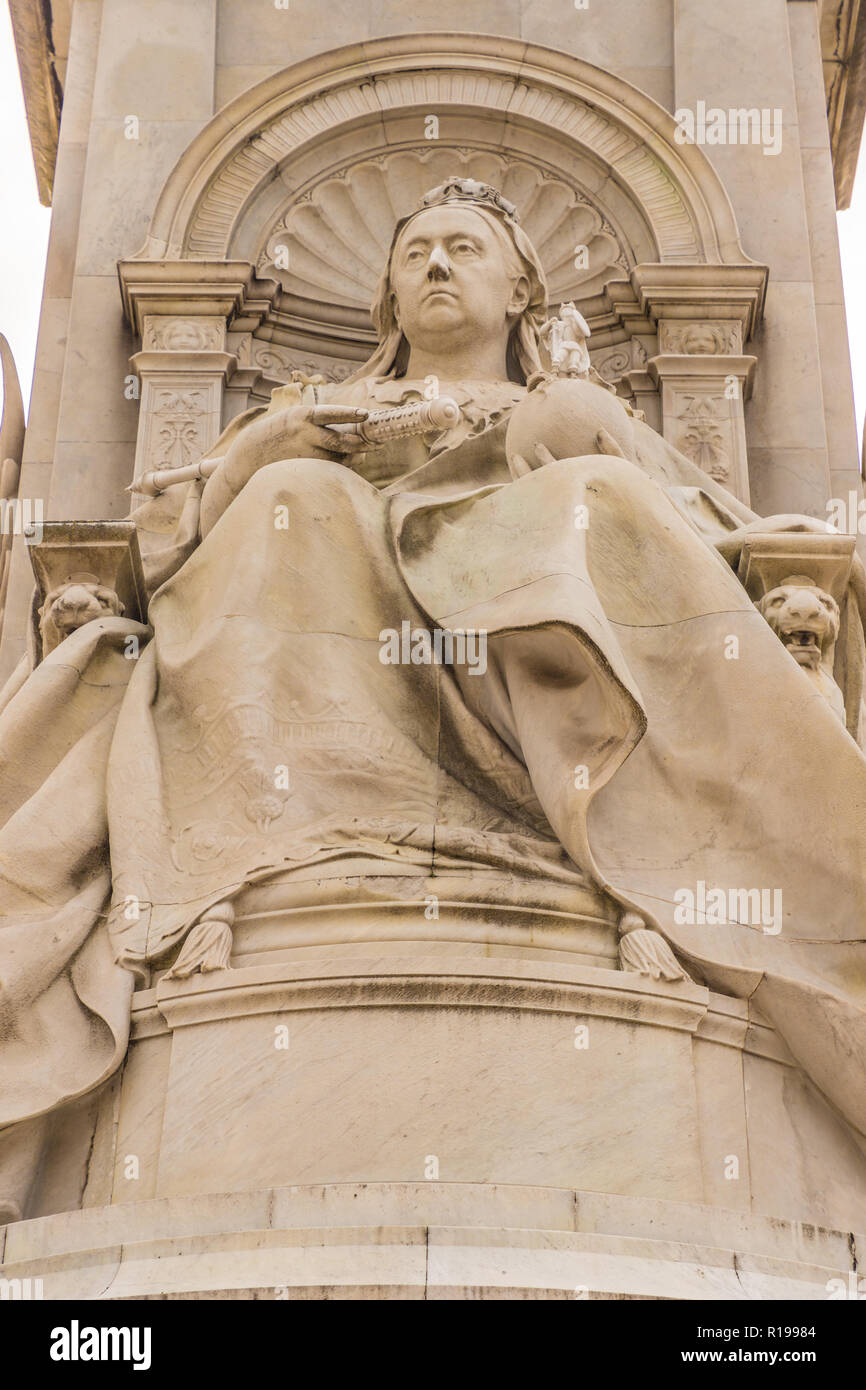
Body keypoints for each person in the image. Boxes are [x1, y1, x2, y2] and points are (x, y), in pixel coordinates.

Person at [2, 178, 866, 1220]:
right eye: (414, 252)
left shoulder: (572, 406)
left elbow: (694, 519)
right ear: (387, 298)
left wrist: (518, 465)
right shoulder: (304, 417)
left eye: (461, 247)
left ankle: (620, 842)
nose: (437, 266)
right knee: (291, 504)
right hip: (341, 595)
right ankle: (268, 857)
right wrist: (278, 450)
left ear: (519, 291)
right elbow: (172, 539)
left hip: (514, 609)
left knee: (588, 505)